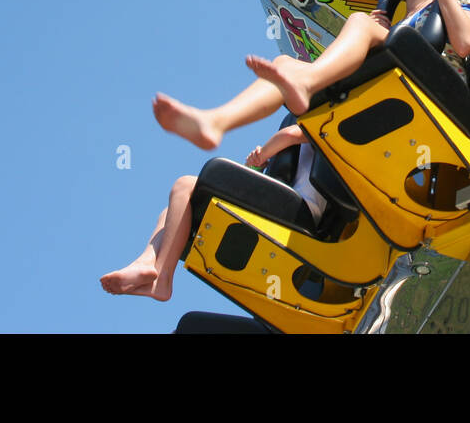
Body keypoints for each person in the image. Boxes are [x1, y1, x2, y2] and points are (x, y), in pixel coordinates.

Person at [151, 0, 470, 151]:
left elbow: (465, 43)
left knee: (357, 23)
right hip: (387, 91)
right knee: (283, 65)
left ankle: (305, 83)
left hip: (439, 92)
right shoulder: (391, 25)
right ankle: (216, 121)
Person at [99, 124, 324, 301]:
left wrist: (263, 153)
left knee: (185, 185)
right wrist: (264, 164)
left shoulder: (329, 117)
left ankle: (162, 280)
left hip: (300, 215)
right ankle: (145, 263)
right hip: (287, 205)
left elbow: (290, 135)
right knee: (172, 211)